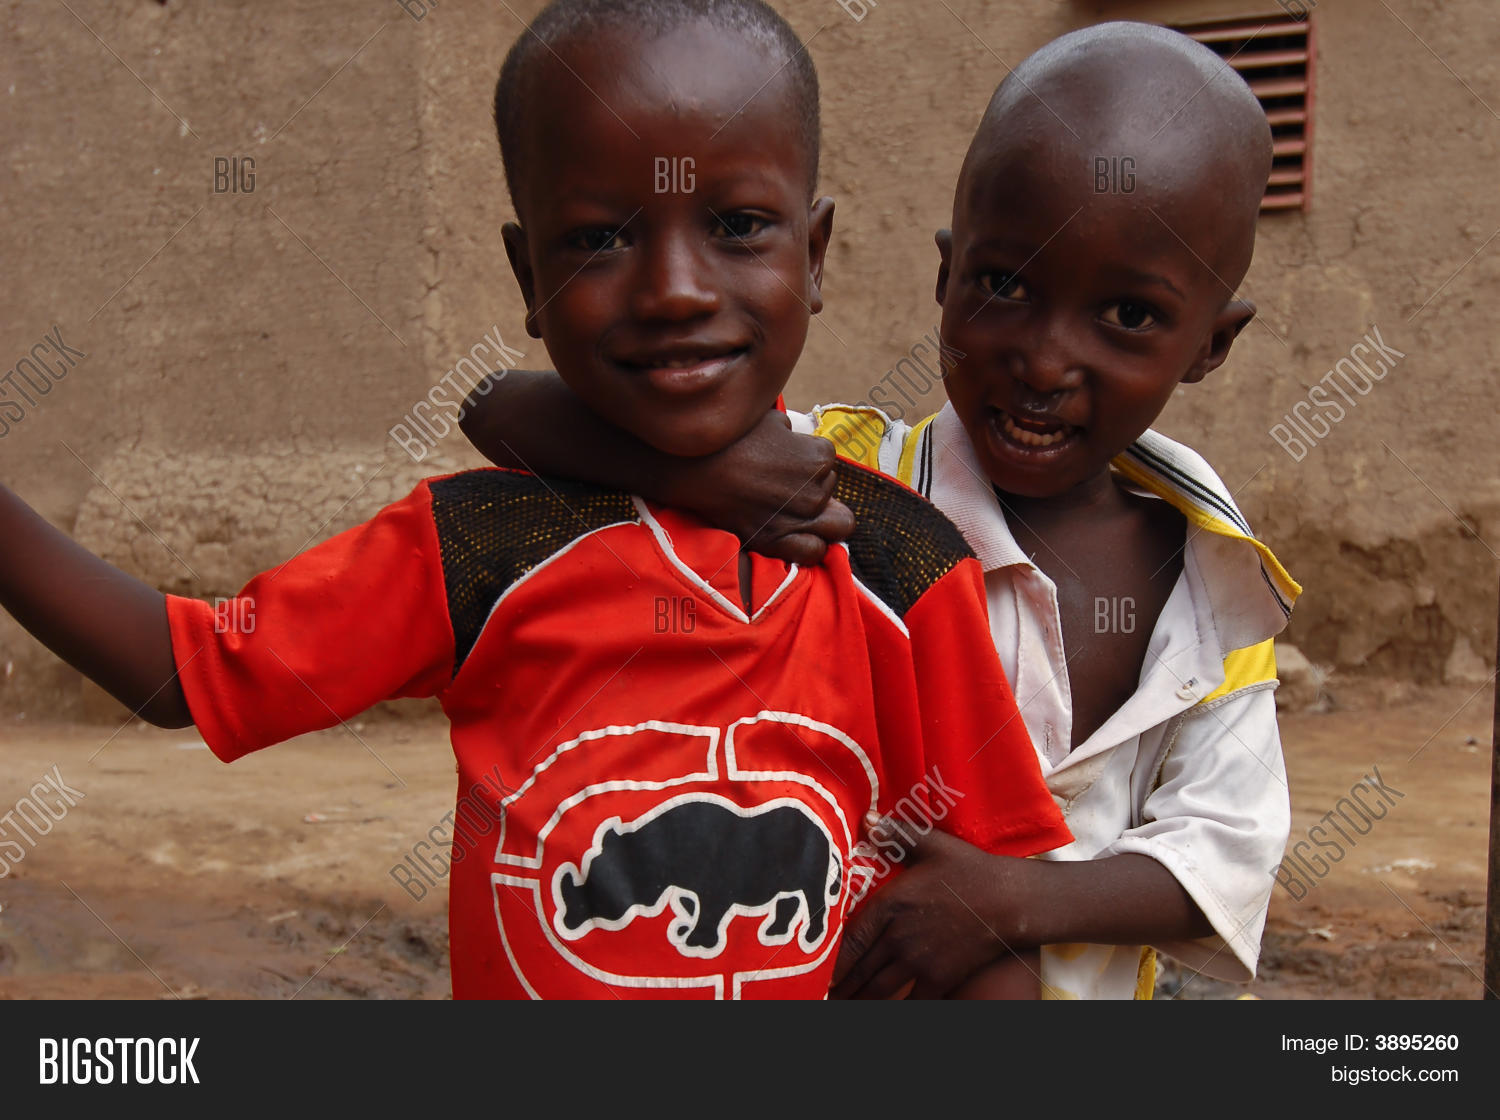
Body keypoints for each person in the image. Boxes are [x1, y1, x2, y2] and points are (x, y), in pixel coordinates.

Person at [0, 0, 1071, 999]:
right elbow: (187, 671)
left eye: (738, 225)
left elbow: (987, 910)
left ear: (817, 251)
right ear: (526, 278)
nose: (676, 290)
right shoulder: (479, 546)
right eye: (600, 238)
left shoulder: (901, 565)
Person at [458, 21, 1301, 999]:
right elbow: (501, 413)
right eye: (1003, 285)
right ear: (945, 276)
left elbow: (1225, 854)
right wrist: (702, 477)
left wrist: (1004, 900)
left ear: (1211, 343)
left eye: (1128, 316)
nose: (1043, 359)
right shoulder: (843, 483)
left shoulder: (1216, 576)